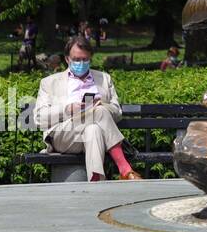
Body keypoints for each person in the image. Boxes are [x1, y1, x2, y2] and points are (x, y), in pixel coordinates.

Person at [33, 36, 141, 181]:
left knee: (94, 129)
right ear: (67, 59)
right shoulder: (50, 83)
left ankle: (95, 184)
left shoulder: (104, 79)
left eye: (85, 59)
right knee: (99, 113)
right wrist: (68, 109)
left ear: (90, 58)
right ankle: (124, 168)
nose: (81, 63)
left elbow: (117, 111)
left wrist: (103, 106)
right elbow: (39, 118)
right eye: (76, 59)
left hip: (95, 132)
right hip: (64, 135)